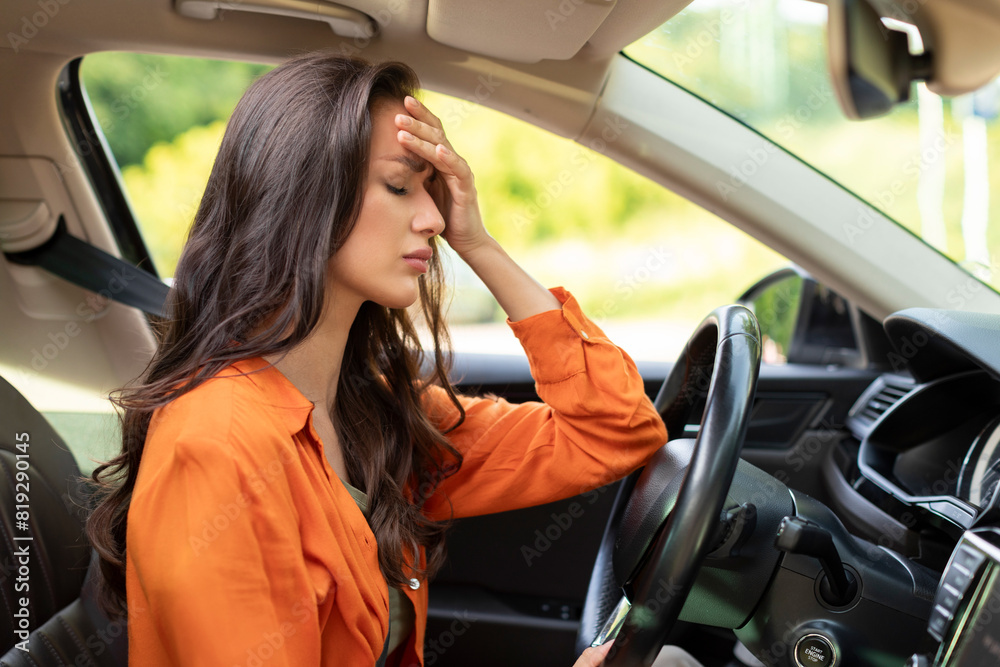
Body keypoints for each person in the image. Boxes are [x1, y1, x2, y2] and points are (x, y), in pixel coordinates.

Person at [86, 51, 681, 666]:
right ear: (304, 199)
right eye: (400, 186)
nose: (434, 219)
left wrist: (478, 242)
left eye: (433, 190)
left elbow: (615, 431)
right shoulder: (215, 444)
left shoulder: (374, 413)